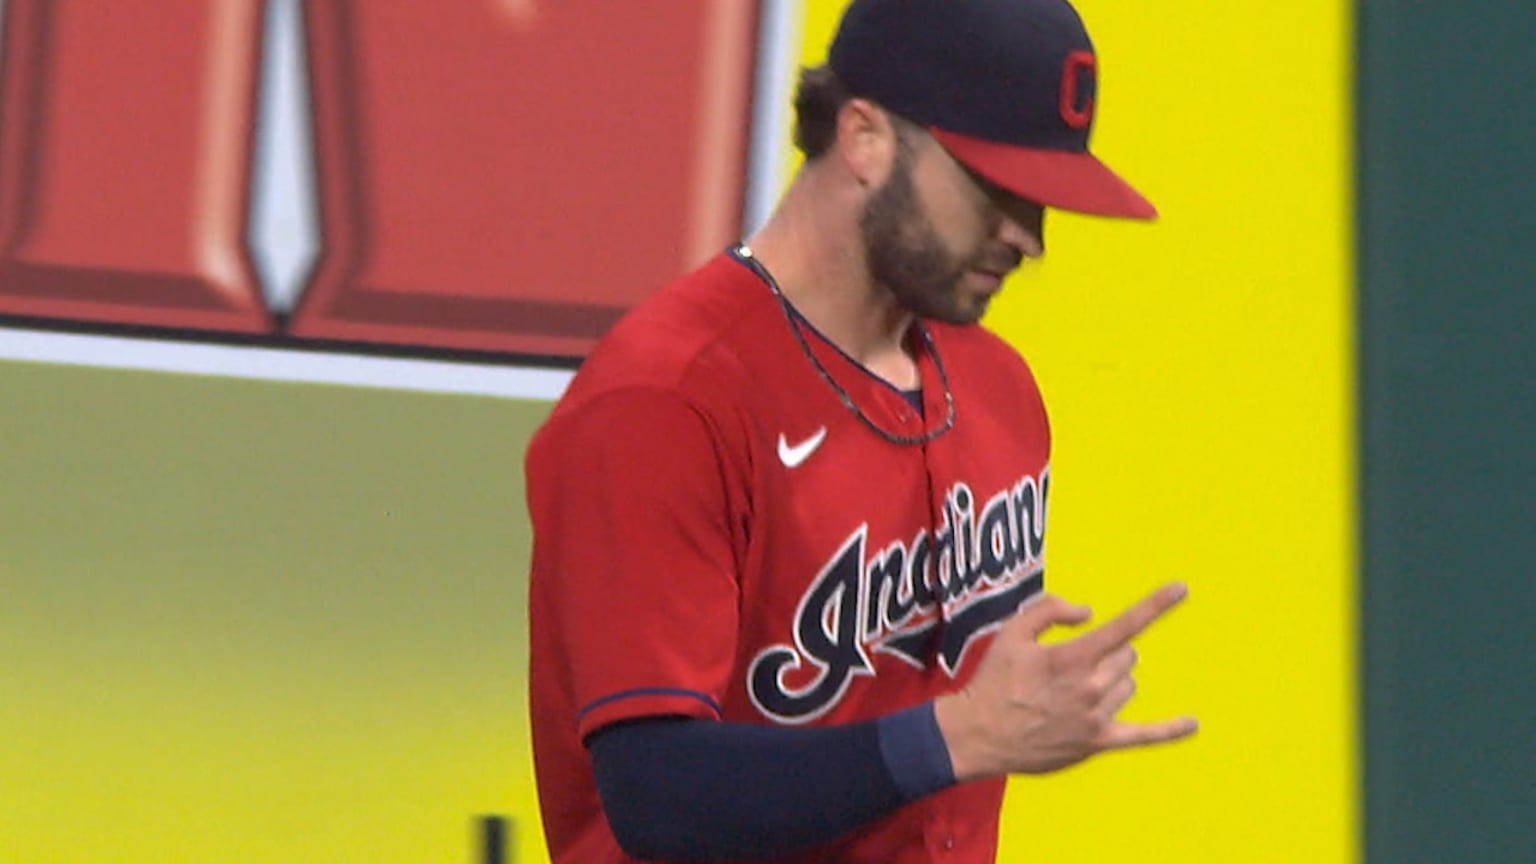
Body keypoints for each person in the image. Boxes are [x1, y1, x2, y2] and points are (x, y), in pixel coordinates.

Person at [524, 0, 1198, 860]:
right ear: (865, 136)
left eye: (1040, 199)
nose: (1028, 237)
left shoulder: (998, 389)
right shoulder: (666, 400)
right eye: (993, 187)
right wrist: (958, 736)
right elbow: (657, 794)